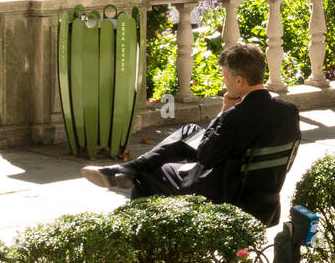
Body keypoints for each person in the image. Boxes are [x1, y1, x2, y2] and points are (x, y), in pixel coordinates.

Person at [81, 44, 301, 225]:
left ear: (239, 80)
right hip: (265, 203)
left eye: (225, 76)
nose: (224, 81)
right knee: (190, 131)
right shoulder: (289, 111)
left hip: (226, 200)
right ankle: (129, 167)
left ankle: (146, 251)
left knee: (151, 174)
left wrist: (222, 113)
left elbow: (206, 155)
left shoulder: (236, 116)